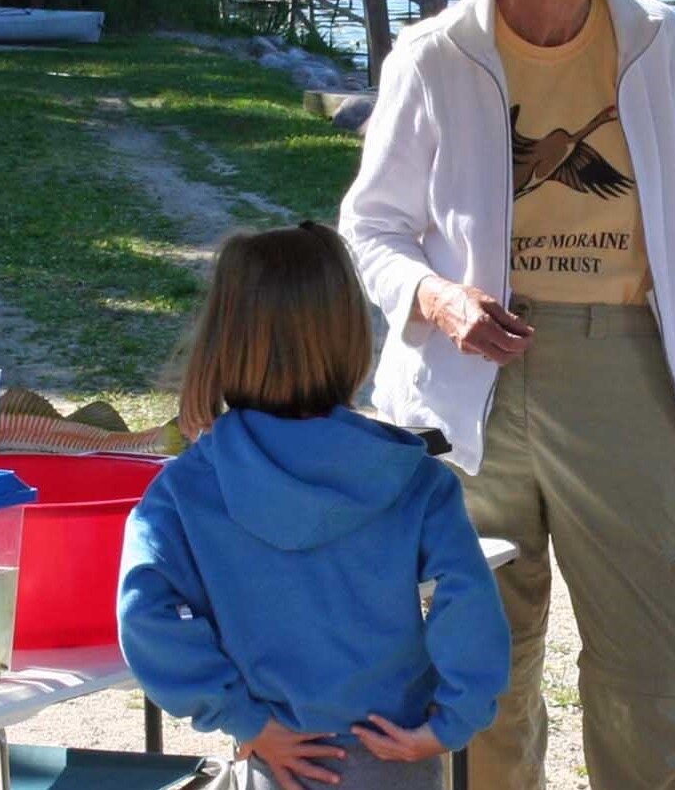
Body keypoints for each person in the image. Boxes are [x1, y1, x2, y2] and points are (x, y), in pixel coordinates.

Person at [338, 0, 675, 789]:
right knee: (476, 680)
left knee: (648, 682)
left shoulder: (661, 45)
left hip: (631, 371)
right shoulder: (430, 56)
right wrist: (435, 297)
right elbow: (371, 227)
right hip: (462, 384)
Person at [118, 223, 511, 790]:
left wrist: (241, 717)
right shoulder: (413, 478)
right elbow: (468, 594)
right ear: (350, 333)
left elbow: (143, 613)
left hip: (280, 761)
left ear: (222, 337)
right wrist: (455, 718)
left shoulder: (187, 488)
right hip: (394, 758)